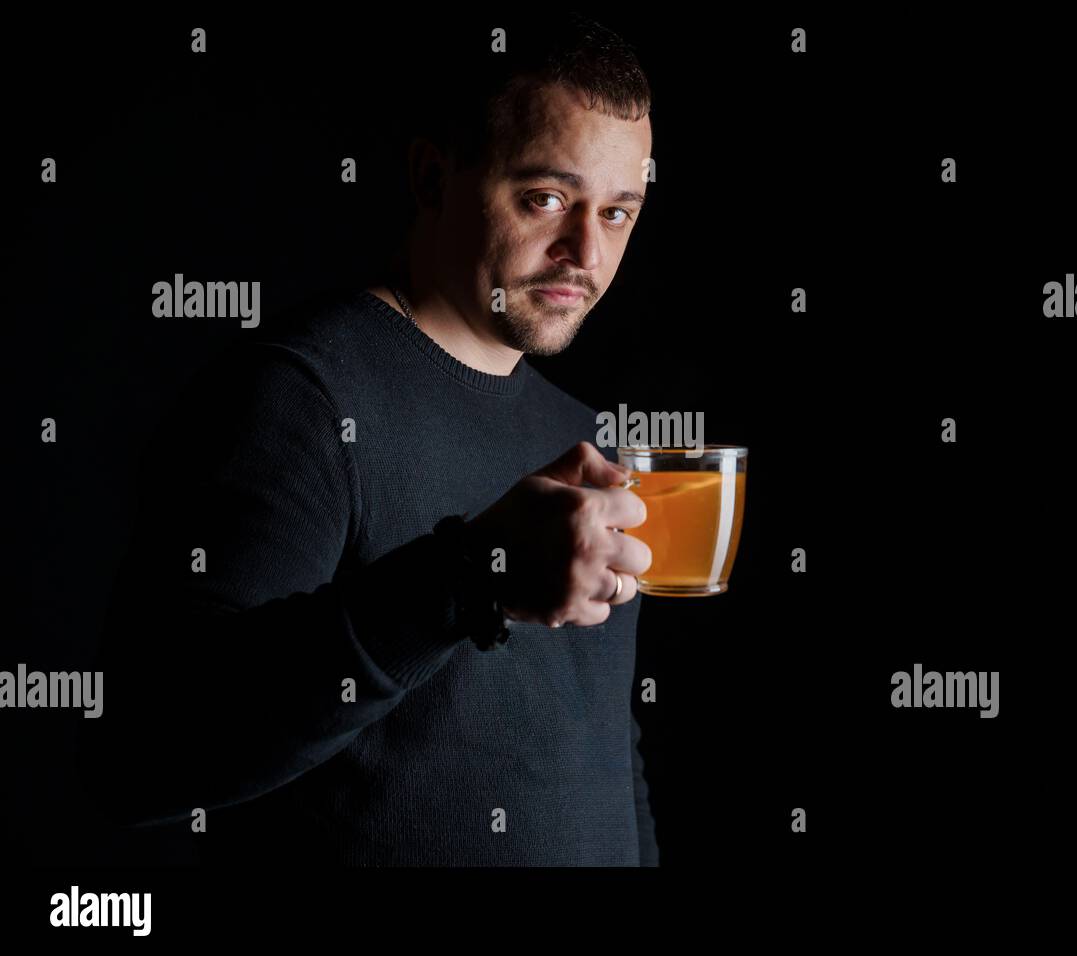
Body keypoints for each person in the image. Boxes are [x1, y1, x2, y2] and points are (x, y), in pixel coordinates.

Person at [77, 12, 660, 866]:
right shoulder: (298, 396)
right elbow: (139, 758)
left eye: (618, 212)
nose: (585, 251)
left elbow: (611, 757)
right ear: (432, 176)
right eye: (546, 198)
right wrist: (465, 580)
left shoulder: (581, 435)